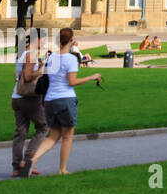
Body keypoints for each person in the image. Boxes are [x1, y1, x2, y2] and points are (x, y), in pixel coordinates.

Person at [23, 29, 102, 177]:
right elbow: (71, 82)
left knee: (53, 136)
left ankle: (31, 161)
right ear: (71, 39)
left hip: (50, 100)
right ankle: (62, 169)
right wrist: (91, 77)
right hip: (65, 99)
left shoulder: (51, 57)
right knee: (67, 136)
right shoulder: (71, 59)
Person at [11, 32, 47, 177]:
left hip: (16, 96)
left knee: (21, 132)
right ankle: (27, 162)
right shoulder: (30, 54)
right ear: (37, 39)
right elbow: (27, 76)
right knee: (43, 126)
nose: (44, 42)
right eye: (44, 39)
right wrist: (41, 70)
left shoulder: (21, 53)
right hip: (28, 97)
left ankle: (16, 166)